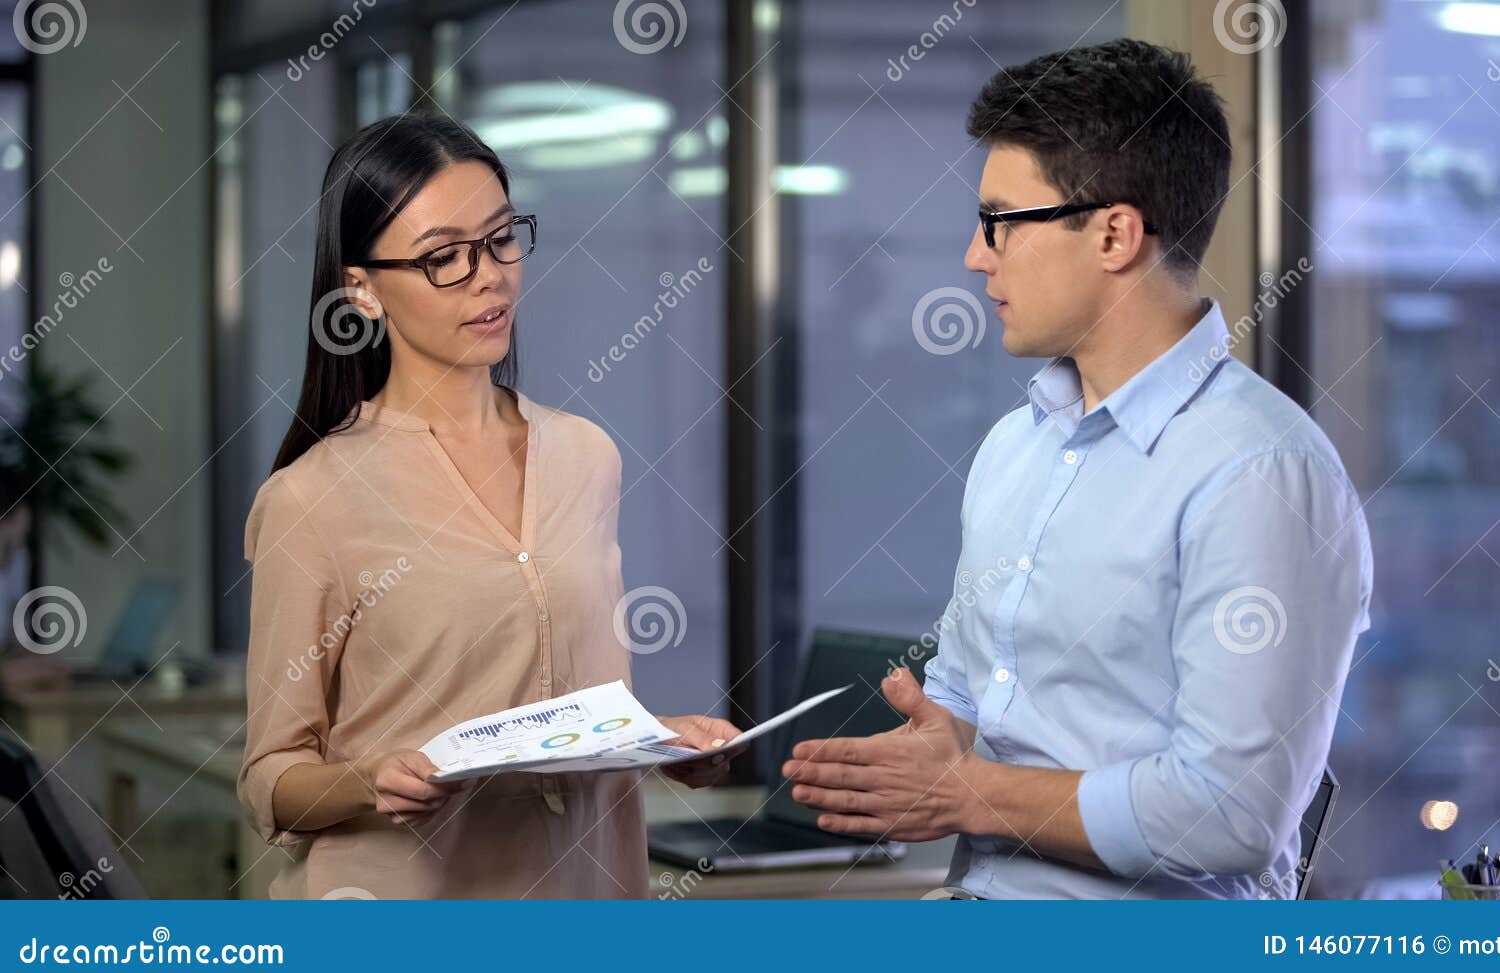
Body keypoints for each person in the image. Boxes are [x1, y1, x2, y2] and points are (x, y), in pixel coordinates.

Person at [784, 39, 1372, 899]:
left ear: (1114, 234)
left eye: (999, 222)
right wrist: (921, 748)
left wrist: (967, 791)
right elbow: (965, 706)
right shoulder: (1014, 447)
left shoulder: (1261, 474)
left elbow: (1234, 814)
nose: (974, 256)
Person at [237, 114, 740, 899]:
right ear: (361, 289)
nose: (489, 277)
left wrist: (659, 741)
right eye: (444, 257)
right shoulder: (311, 498)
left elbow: (576, 704)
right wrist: (370, 780)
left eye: (502, 239)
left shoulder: (586, 456)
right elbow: (270, 776)